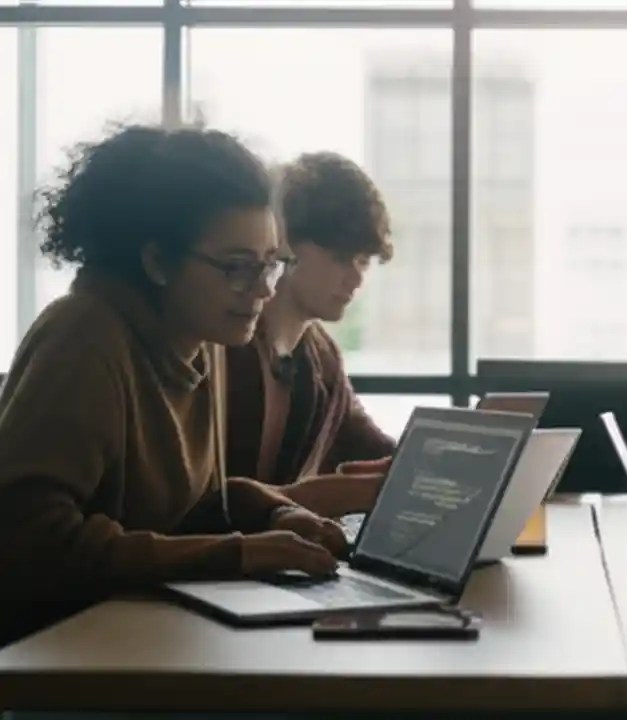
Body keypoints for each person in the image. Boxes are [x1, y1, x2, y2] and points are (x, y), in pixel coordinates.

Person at [0, 125, 347, 646]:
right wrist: (236, 554)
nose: (261, 291)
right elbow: (29, 541)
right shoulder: (84, 337)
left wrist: (274, 512)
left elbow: (183, 512)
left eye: (271, 266)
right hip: (52, 659)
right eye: (236, 268)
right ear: (157, 260)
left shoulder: (199, 336)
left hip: (137, 638)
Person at [224, 152, 395, 518]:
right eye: (340, 256)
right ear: (284, 242)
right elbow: (188, 501)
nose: (356, 278)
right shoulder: (221, 343)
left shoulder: (321, 356)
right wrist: (310, 499)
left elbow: (374, 449)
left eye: (363, 260)